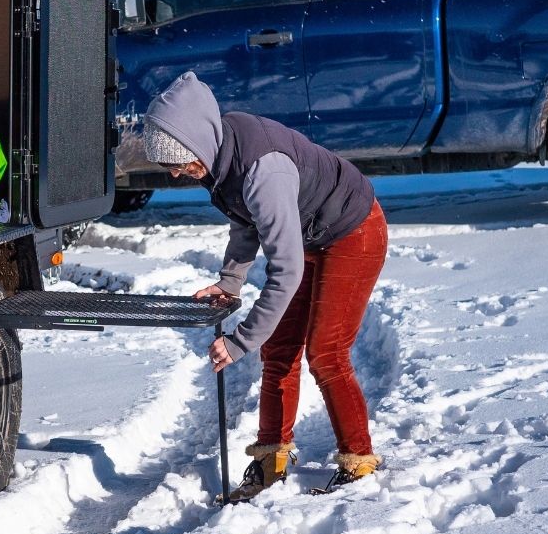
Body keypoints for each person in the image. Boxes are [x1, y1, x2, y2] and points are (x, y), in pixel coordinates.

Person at [143, 71, 388, 502]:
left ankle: (359, 460)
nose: (179, 174)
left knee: (326, 351)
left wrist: (241, 340)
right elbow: (245, 220)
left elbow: (286, 271)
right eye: (171, 167)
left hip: (353, 229)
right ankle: (271, 461)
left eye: (180, 163)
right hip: (311, 232)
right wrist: (230, 283)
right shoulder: (219, 155)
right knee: (279, 349)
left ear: (199, 140)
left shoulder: (263, 170)